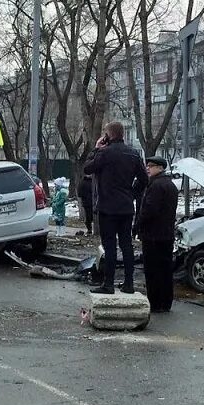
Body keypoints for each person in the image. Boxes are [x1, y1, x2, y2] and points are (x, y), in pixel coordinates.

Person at [83, 121, 148, 294]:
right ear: (123, 135)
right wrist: (132, 194)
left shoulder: (105, 153)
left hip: (107, 208)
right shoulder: (134, 154)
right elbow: (144, 180)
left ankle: (109, 284)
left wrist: (96, 148)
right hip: (126, 208)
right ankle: (129, 283)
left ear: (108, 135)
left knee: (110, 246)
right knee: (127, 246)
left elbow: (87, 168)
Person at [135, 157, 180, 313]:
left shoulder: (155, 185)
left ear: (160, 168)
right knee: (165, 270)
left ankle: (154, 303)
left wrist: (138, 223)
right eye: (147, 166)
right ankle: (166, 302)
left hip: (153, 235)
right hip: (166, 234)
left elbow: (149, 210)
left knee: (153, 271)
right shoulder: (170, 185)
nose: (148, 168)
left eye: (151, 166)